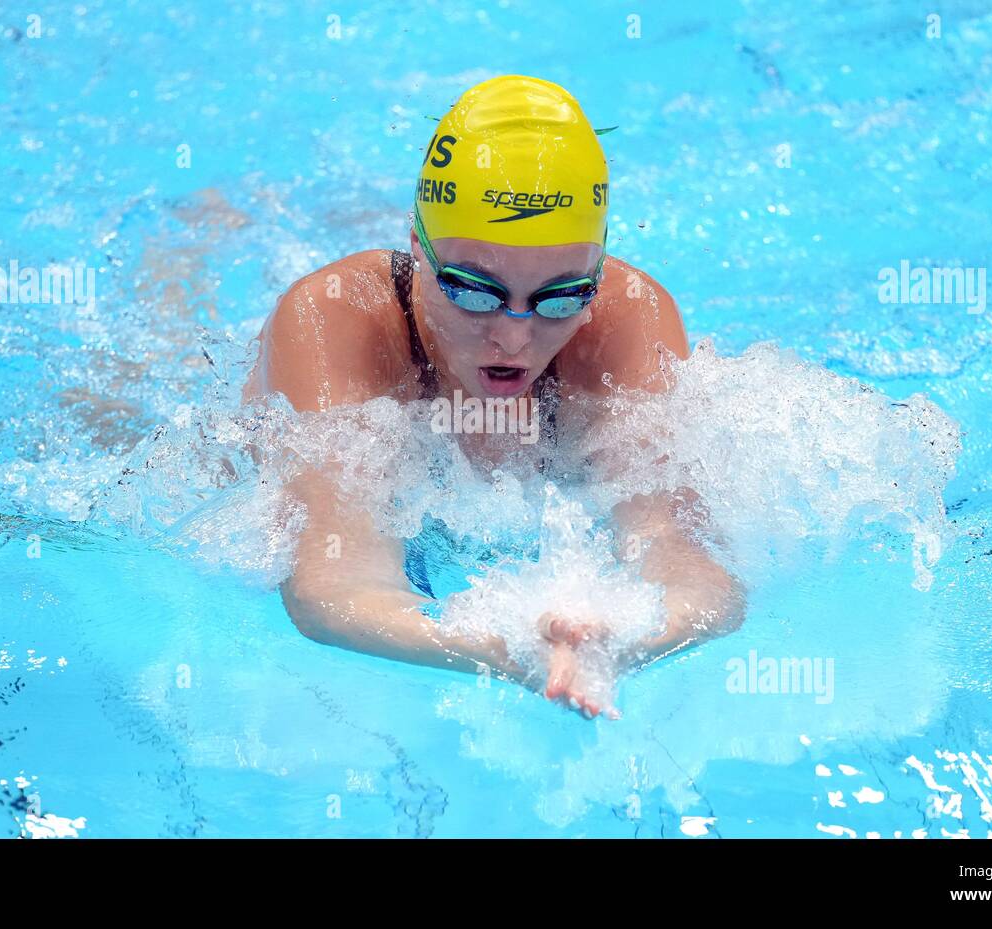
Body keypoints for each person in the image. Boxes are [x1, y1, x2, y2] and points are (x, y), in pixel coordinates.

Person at [243, 75, 743, 719]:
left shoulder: (625, 318)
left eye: (561, 296)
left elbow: (692, 566)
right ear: (418, 245)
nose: (514, 336)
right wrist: (501, 647)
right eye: (473, 290)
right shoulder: (336, 319)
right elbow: (332, 584)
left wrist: (623, 637)